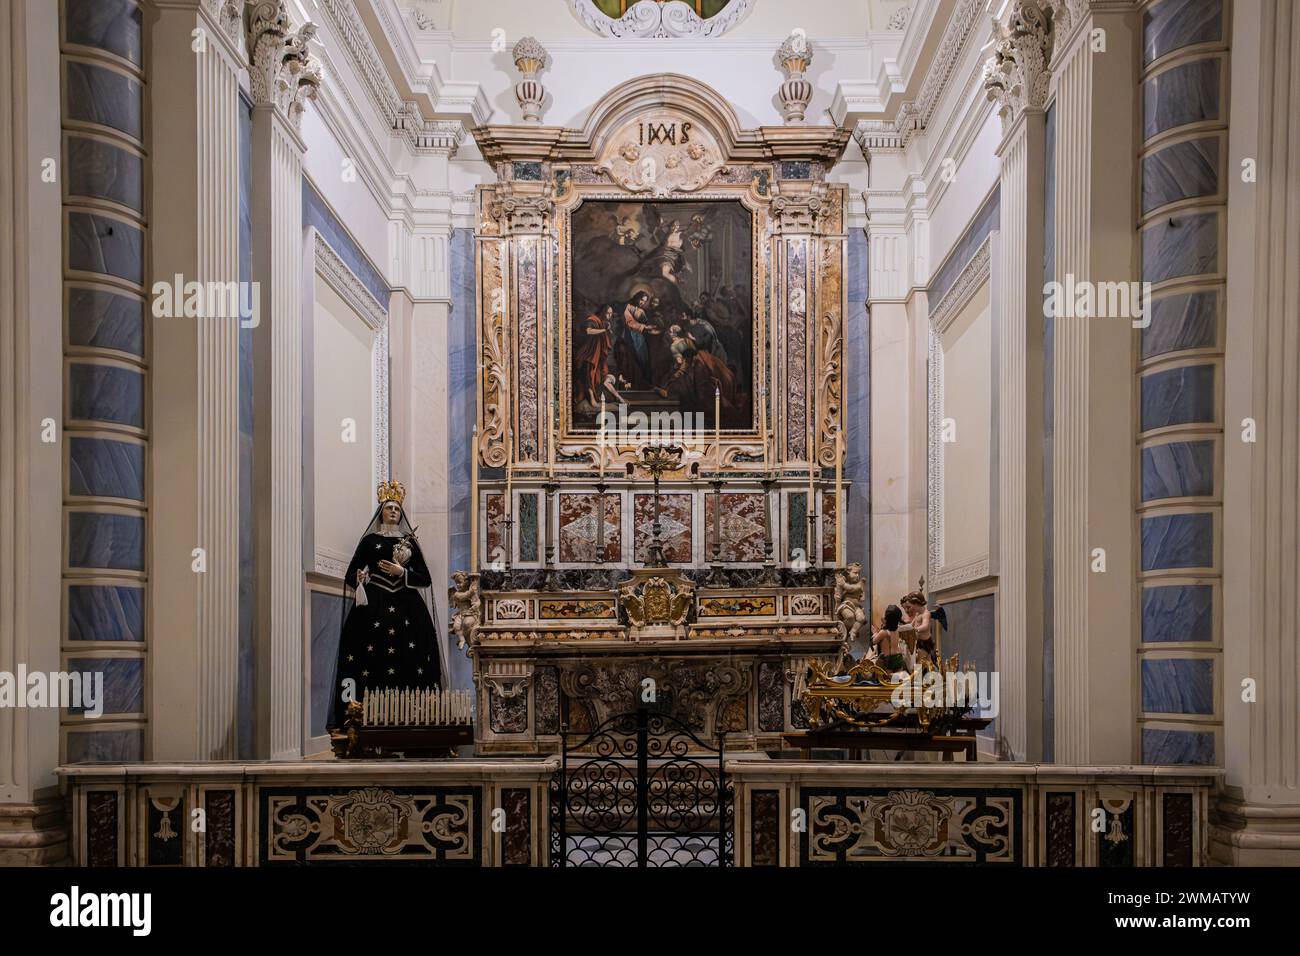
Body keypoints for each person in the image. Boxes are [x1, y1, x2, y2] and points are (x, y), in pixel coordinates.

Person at [328, 480, 442, 729]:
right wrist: (360, 578)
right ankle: (363, 716)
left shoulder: (410, 542)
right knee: (370, 656)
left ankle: (412, 716)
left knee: (410, 657)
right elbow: (350, 574)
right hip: (374, 608)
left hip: (407, 608)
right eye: (389, 507)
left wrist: (403, 571)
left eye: (397, 509)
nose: (393, 512)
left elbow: (425, 579)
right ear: (381, 511)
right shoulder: (370, 542)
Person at [574, 303, 615, 407]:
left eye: (611, 314)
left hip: (596, 355)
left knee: (596, 376)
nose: (609, 316)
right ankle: (592, 400)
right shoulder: (593, 319)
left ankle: (594, 399)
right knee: (588, 376)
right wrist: (604, 330)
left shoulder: (602, 323)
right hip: (588, 354)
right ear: (602, 312)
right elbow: (588, 331)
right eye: (607, 313)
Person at [869, 604, 914, 676]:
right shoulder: (897, 629)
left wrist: (874, 633)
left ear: (887, 618)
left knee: (887, 681)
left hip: (889, 659)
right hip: (899, 657)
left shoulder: (884, 632)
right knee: (896, 681)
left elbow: (873, 642)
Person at [900, 587, 935, 662]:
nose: (911, 608)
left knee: (922, 661)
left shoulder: (926, 613)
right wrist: (902, 628)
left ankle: (923, 673)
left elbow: (925, 626)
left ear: (916, 603)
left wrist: (916, 629)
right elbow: (911, 625)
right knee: (921, 661)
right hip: (919, 641)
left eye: (912, 605)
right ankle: (924, 672)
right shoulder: (917, 614)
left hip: (925, 642)